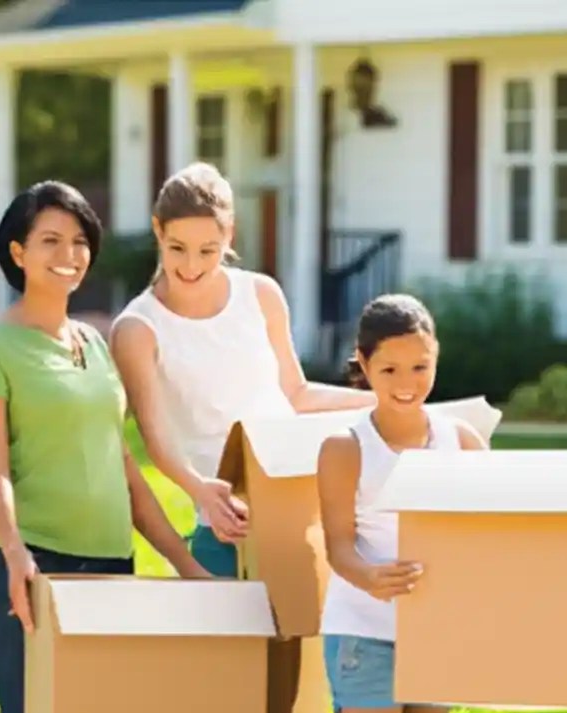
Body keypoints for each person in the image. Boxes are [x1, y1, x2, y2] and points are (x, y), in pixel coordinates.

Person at [0, 180, 210, 713]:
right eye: (50, 240)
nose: (68, 255)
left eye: (79, 240)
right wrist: (15, 553)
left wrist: (186, 563)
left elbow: (120, 468)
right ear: (18, 253)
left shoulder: (94, 342)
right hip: (30, 563)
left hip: (109, 562)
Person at [109, 161, 379, 578]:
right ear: (158, 230)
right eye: (177, 247)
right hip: (225, 523)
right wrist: (199, 490)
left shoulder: (261, 294)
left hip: (300, 508)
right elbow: (155, 436)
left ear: (229, 236)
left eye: (208, 250)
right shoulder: (138, 329)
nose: (191, 266)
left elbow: (296, 393)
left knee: (311, 641)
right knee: (232, 643)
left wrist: (385, 402)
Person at [316, 294, 488, 713]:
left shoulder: (463, 441)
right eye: (389, 370)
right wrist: (370, 577)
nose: (406, 383)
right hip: (363, 631)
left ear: (435, 359)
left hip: (436, 627)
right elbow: (338, 547)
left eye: (420, 367)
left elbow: (490, 533)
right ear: (363, 362)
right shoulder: (345, 449)